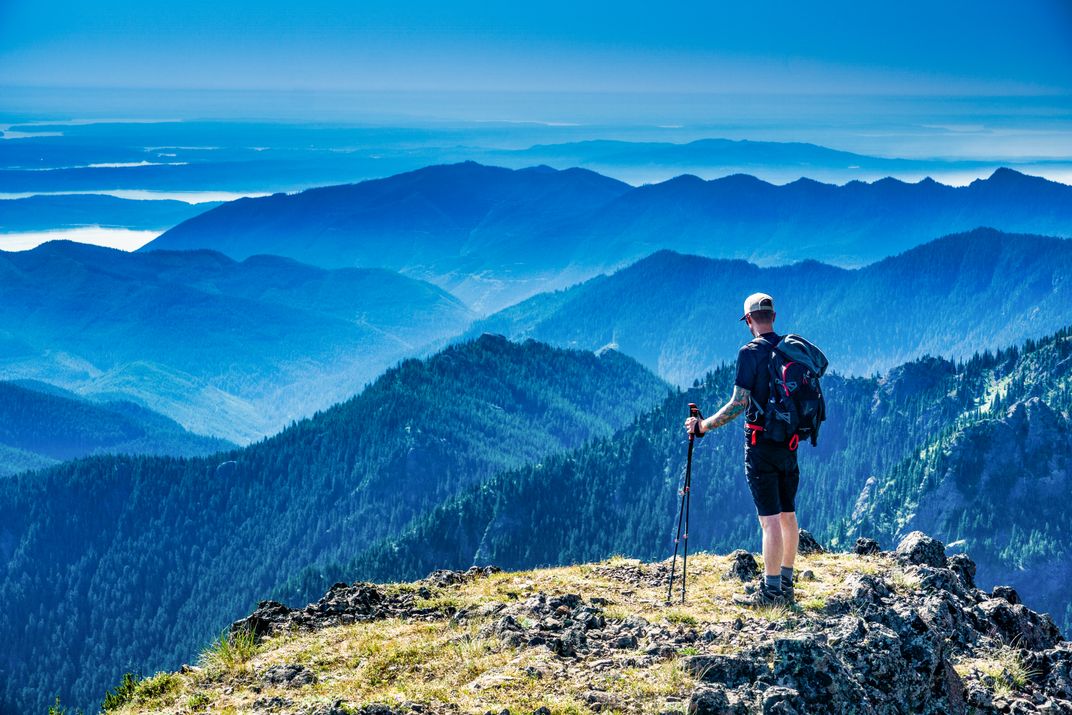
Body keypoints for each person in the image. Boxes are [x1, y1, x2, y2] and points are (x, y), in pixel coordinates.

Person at [684, 292, 800, 606]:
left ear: (749, 320)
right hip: (789, 443)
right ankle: (786, 584)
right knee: (788, 514)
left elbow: (739, 403)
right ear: (773, 316)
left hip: (760, 445)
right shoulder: (790, 348)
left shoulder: (750, 352)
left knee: (769, 520)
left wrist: (703, 425)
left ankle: (771, 593)